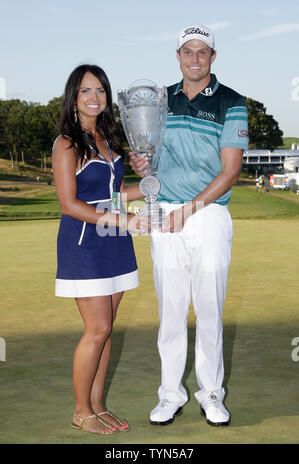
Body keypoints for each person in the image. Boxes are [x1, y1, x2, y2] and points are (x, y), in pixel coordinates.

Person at [129, 24, 249, 427]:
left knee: (210, 310)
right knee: (171, 311)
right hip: (164, 210)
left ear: (213, 57)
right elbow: (152, 159)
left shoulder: (231, 102)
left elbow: (230, 172)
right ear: (178, 56)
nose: (194, 59)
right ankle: (169, 394)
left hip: (209, 214)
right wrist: (143, 165)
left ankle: (211, 393)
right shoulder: (160, 100)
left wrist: (192, 208)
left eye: (202, 52)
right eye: (187, 51)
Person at [52, 64, 149, 435]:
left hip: (115, 245)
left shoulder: (109, 138)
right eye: (86, 91)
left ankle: (97, 406)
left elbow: (114, 196)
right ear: (73, 98)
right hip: (85, 245)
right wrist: (125, 221)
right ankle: (81, 411)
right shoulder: (67, 143)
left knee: (107, 331)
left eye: (101, 91)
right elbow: (70, 204)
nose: (95, 98)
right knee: (98, 329)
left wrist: (151, 183)